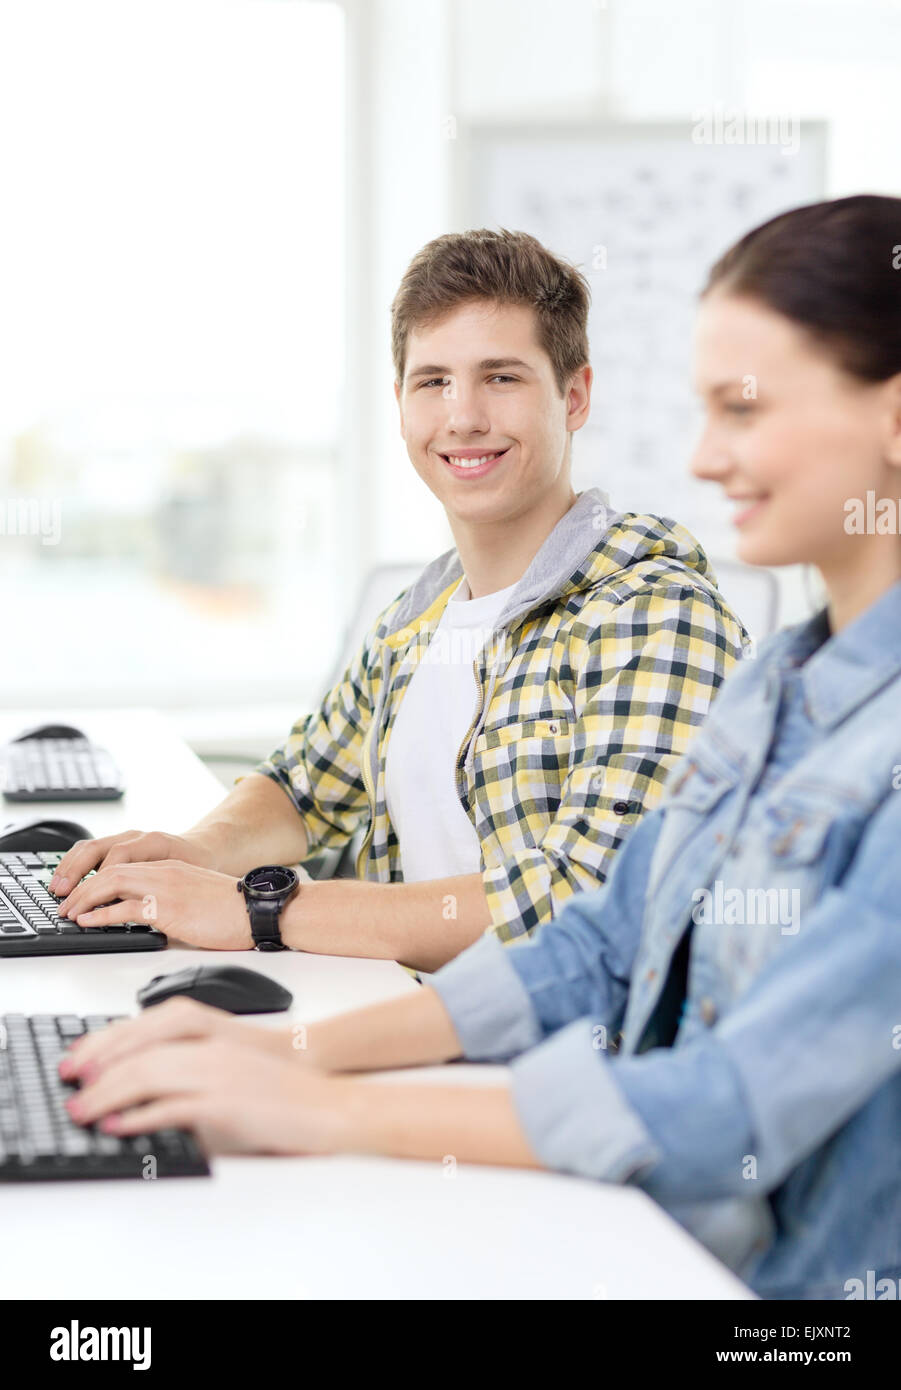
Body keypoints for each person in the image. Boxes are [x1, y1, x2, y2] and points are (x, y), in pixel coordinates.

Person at [60, 194, 901, 1300]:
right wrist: (290, 1053)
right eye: (432, 380)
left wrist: (319, 1082)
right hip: (626, 1208)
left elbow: (727, 1099)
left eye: (743, 409)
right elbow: (596, 945)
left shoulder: (676, 621)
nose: (702, 458)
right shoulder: (780, 688)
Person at [48, 229, 745, 972]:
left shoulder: (654, 615)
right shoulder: (421, 617)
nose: (463, 416)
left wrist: (258, 910)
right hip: (408, 1018)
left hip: (552, 1064)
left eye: (501, 378)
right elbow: (302, 787)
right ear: (401, 401)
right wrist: (195, 852)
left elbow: (581, 900)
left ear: (573, 396)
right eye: (433, 380)